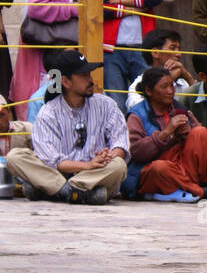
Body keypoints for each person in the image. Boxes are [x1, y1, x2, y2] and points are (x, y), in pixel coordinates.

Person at [18, 50, 129, 204]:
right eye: (83, 75)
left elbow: (120, 143)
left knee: (119, 165)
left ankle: (57, 191)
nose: (90, 79)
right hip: (60, 173)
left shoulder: (106, 105)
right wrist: (86, 165)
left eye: (89, 74)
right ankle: (80, 193)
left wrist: (108, 156)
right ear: (66, 82)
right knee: (16, 157)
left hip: (95, 173)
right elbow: (53, 161)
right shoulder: (48, 113)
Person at [11, 0, 80, 121]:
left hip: (64, 45)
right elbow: (37, 8)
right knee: (46, 93)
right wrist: (74, 9)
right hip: (45, 48)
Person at [127, 66, 207, 201]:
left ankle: (183, 189)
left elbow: (201, 140)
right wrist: (166, 133)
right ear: (148, 91)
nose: (170, 91)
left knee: (200, 133)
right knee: (160, 167)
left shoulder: (179, 108)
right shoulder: (137, 115)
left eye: (171, 85)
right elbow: (136, 152)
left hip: (181, 169)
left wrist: (188, 134)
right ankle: (197, 191)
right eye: (164, 87)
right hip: (153, 171)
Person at [125, 29, 194, 109]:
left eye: (179, 49)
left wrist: (188, 77)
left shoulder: (183, 82)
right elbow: (139, 111)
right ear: (155, 53)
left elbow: (200, 108)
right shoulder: (138, 84)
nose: (179, 54)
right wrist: (170, 80)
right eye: (172, 48)